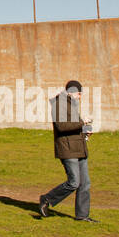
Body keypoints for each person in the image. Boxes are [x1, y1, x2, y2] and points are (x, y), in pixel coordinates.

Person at [38, 80, 96, 222]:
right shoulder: (59, 104)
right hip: (67, 149)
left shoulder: (71, 104)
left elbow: (72, 126)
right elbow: (62, 126)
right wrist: (83, 122)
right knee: (74, 182)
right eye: (79, 93)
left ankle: (82, 216)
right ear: (70, 92)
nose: (80, 96)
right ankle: (47, 199)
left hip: (79, 147)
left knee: (85, 183)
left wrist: (84, 133)